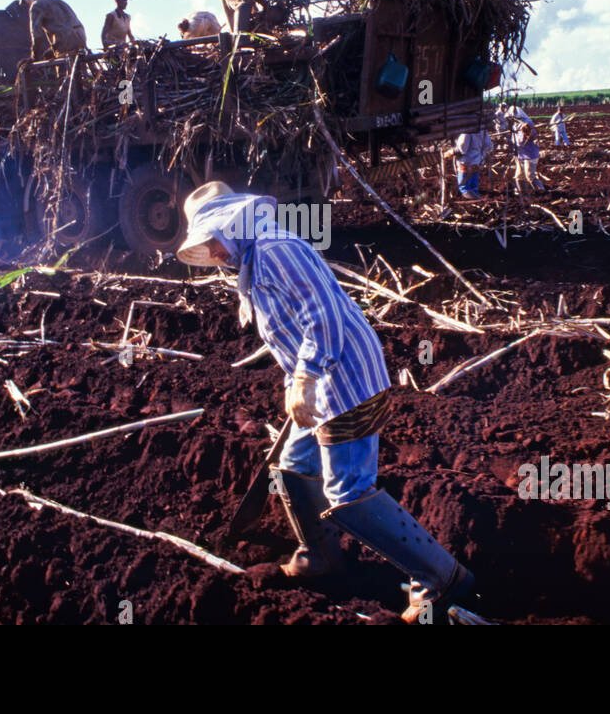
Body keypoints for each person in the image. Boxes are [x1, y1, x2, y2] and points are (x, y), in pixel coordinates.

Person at [176, 182, 475, 623]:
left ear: (232, 224)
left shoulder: (276, 249)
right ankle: (319, 556)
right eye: (206, 245)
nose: (214, 252)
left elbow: (324, 315)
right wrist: (293, 381)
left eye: (213, 239)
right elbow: (293, 327)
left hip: (346, 380)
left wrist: (305, 377)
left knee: (347, 489)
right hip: (323, 379)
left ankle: (440, 579)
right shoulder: (255, 260)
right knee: (293, 466)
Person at [20, 0, 87, 60]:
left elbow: (37, 35)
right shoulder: (57, 0)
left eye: (25, 2)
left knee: (64, 69)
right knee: (80, 66)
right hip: (81, 37)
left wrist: (34, 56)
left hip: (65, 42)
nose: (27, 4)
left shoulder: (36, 6)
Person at [445, 126, 493, 198]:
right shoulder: (483, 130)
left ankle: (466, 192)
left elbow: (462, 148)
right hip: (478, 160)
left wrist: (450, 152)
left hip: (466, 161)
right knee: (474, 179)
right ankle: (474, 192)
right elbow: (489, 146)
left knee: (464, 184)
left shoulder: (466, 132)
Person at [513, 112, 545, 194]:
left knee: (529, 174)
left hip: (530, 153)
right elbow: (515, 140)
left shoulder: (528, 123)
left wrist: (527, 132)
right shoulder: (514, 125)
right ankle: (521, 191)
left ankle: (540, 191)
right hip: (519, 153)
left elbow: (533, 136)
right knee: (519, 175)